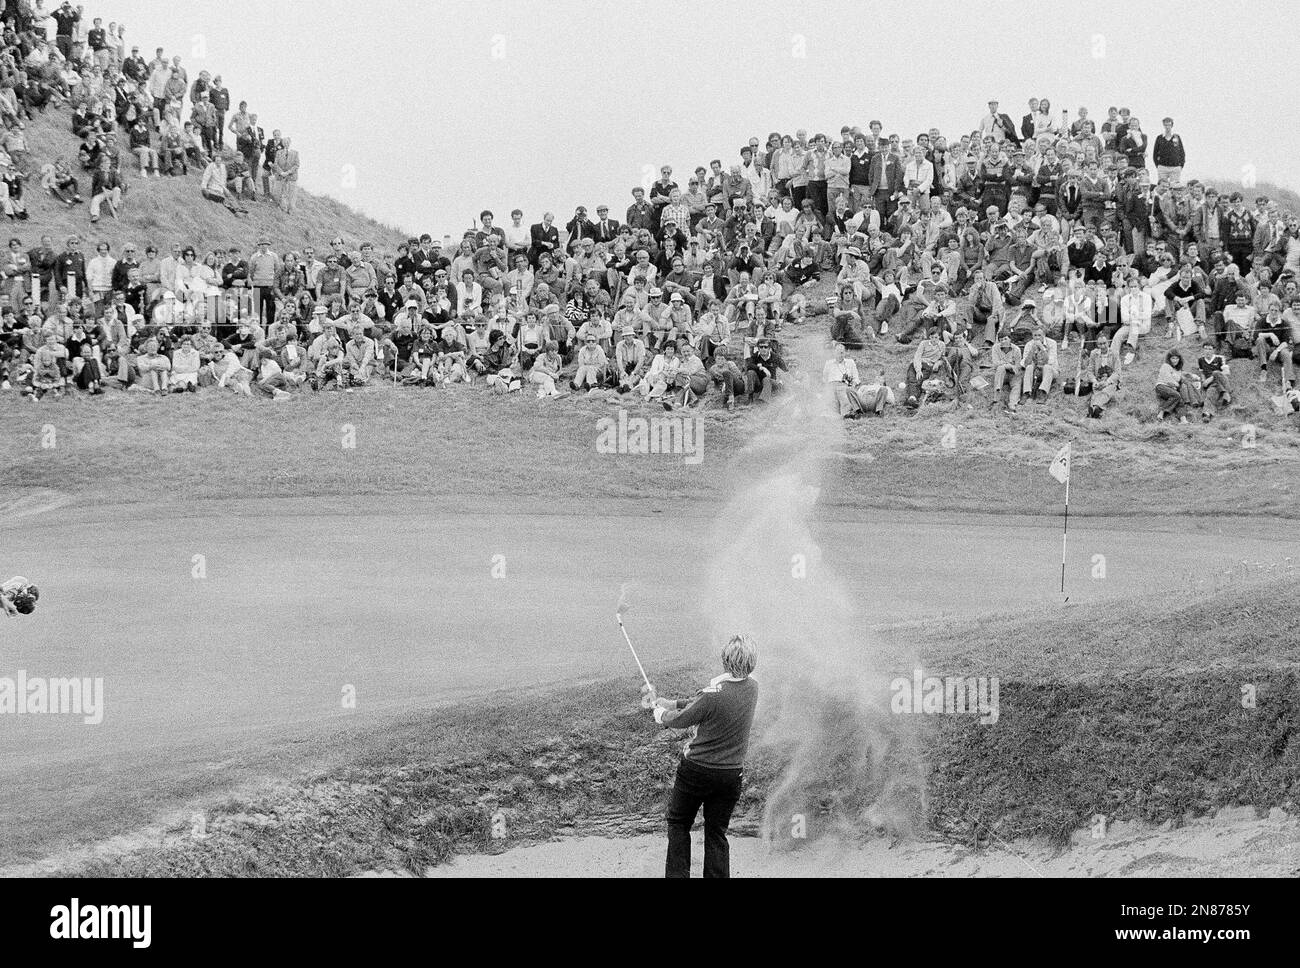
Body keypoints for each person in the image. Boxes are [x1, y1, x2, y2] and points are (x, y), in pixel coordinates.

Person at [645, 633, 759, 879]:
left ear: (725, 660)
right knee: (716, 832)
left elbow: (683, 719)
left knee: (678, 823)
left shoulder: (713, 693)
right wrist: (674, 702)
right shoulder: (753, 688)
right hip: (730, 776)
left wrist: (660, 713)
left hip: (696, 772)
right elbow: (704, 701)